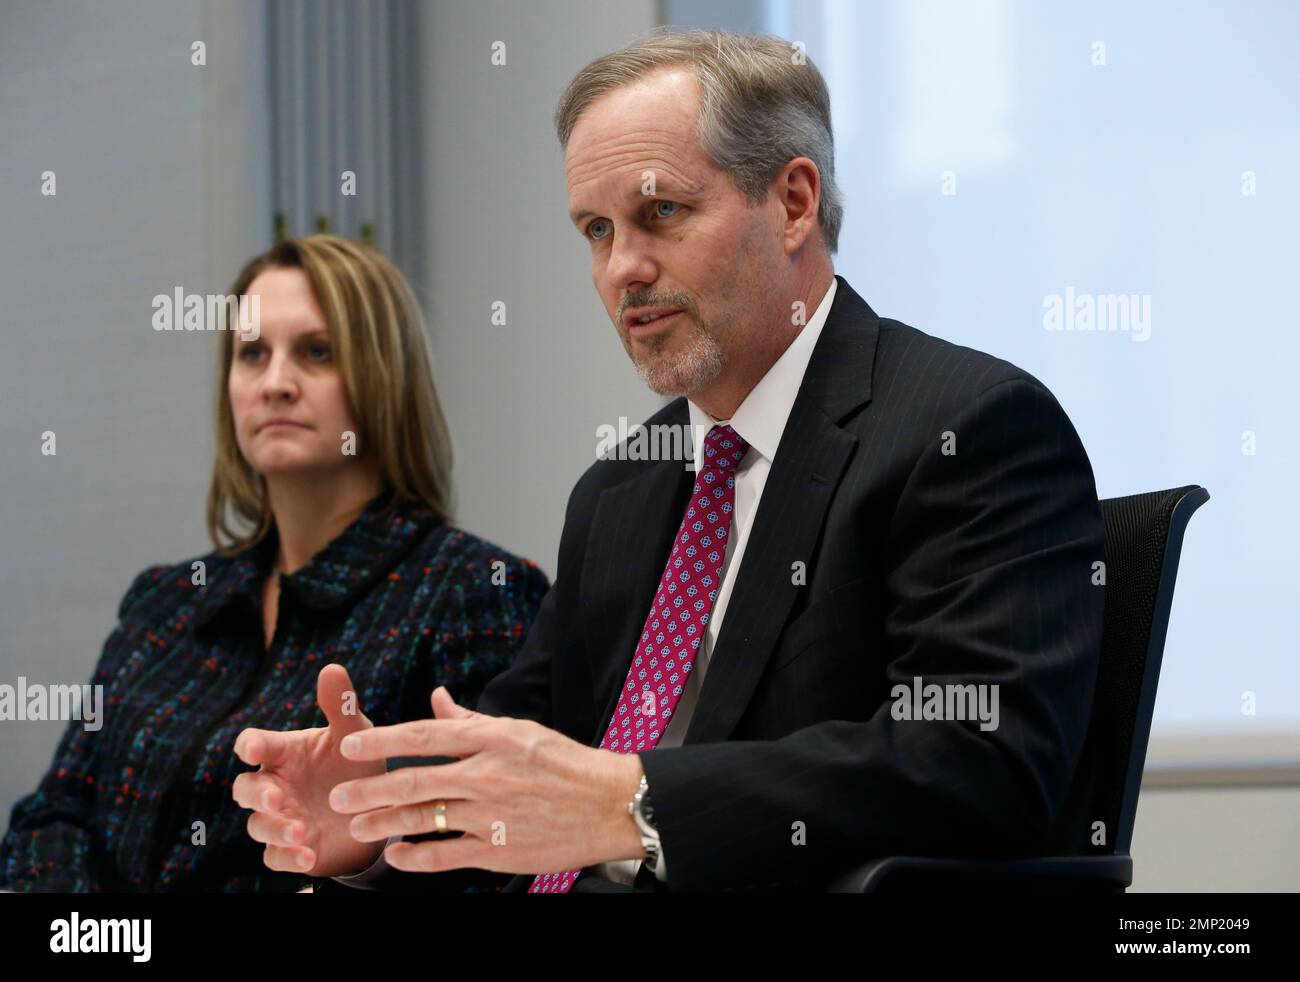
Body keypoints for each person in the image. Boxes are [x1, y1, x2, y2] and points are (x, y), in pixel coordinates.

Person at [236, 29, 1107, 894]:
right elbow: (520, 749)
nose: (623, 268)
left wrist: (634, 801)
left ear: (795, 202)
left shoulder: (966, 429)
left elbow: (980, 759)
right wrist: (380, 815)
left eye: (660, 213)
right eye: (596, 230)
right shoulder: (620, 490)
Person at [0, 235, 548, 891]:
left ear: (382, 377)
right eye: (252, 354)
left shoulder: (474, 592)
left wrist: (358, 857)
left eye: (316, 353)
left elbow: (494, 865)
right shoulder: (164, 601)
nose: (275, 383)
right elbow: (55, 815)